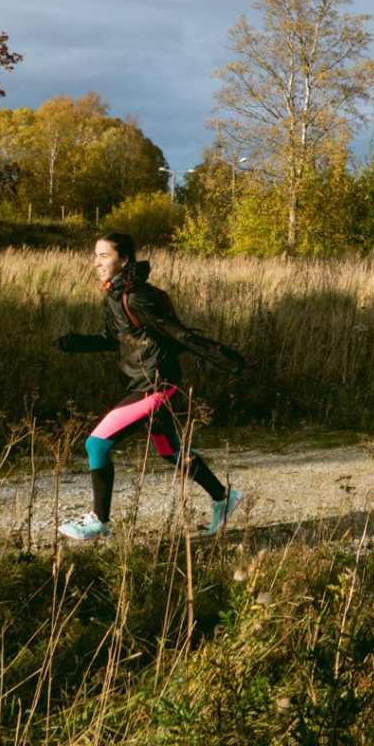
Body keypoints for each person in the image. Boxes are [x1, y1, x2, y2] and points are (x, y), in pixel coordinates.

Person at [55, 232, 246, 541]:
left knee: (97, 444)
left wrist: (222, 357)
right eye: (95, 255)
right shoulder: (117, 295)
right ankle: (224, 498)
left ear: (124, 260)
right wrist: (76, 343)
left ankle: (98, 520)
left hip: (155, 383)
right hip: (147, 380)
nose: (97, 262)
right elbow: (113, 338)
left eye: (104, 255)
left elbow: (177, 334)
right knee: (170, 450)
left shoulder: (136, 297)